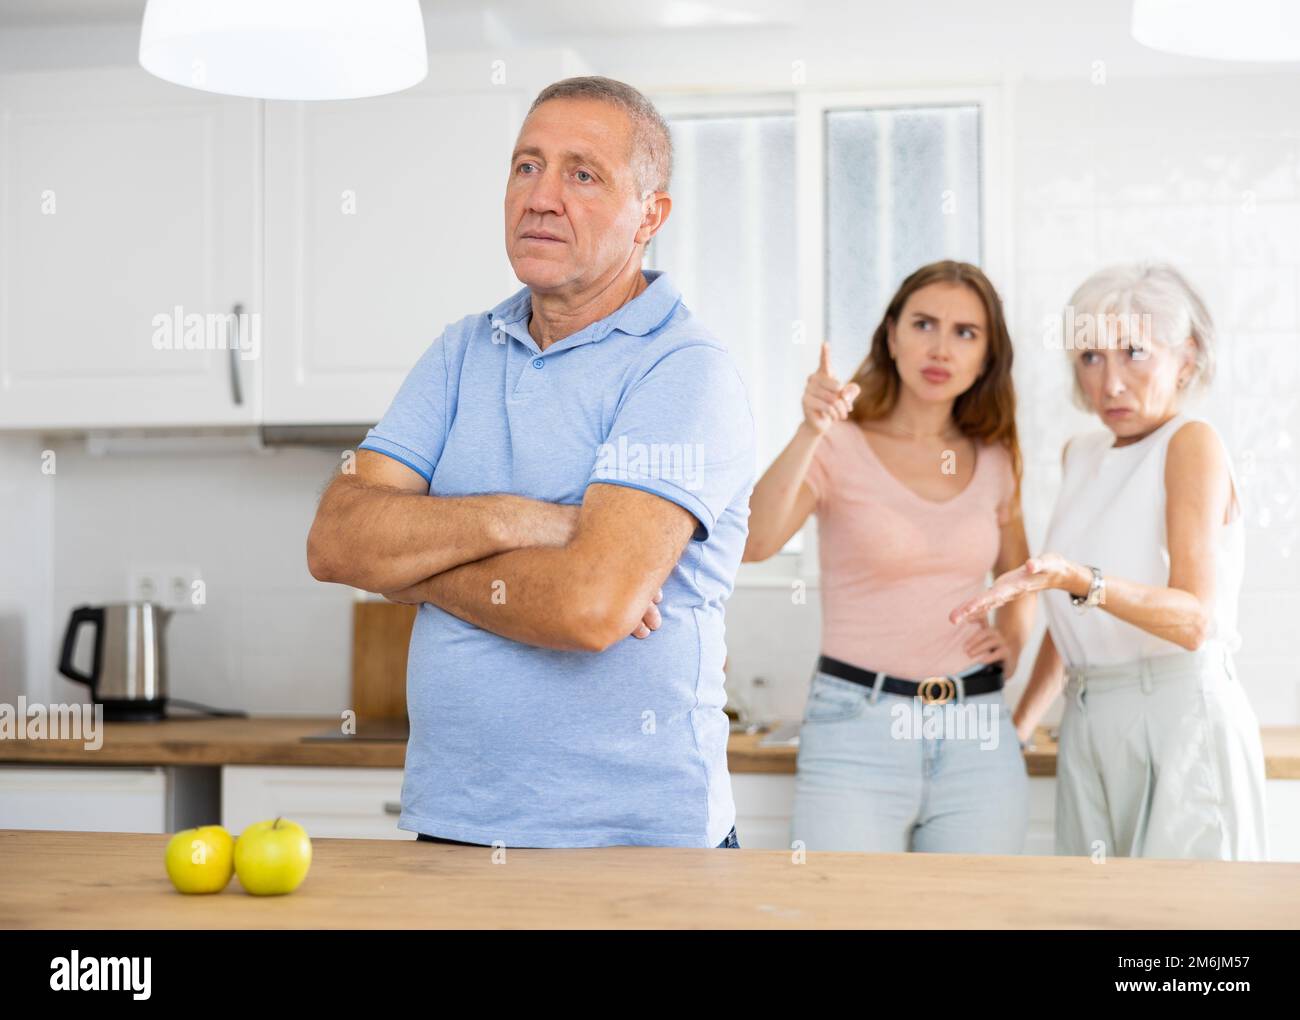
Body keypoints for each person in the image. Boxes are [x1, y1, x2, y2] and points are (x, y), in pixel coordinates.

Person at [306, 76, 755, 849]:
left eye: (583, 174)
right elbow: (336, 542)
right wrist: (527, 520)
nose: (542, 196)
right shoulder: (459, 352)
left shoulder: (684, 369)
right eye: (526, 166)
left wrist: (410, 570)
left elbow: (590, 608)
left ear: (651, 214)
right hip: (454, 831)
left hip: (635, 849)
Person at [951, 262, 1268, 860]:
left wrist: (1077, 578)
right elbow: (1076, 620)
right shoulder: (1083, 454)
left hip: (1178, 716)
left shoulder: (1189, 442)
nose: (1111, 383)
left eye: (1133, 353)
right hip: (1088, 717)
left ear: (1187, 358)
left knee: (1184, 942)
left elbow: (1193, 619)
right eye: (1090, 358)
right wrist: (1019, 729)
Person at [745, 261, 1032, 853]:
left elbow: (1019, 575)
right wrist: (810, 431)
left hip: (977, 730)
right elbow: (753, 543)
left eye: (965, 333)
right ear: (892, 334)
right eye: (924, 323)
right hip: (856, 728)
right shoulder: (838, 444)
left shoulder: (997, 455)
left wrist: (1015, 641)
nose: (941, 347)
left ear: (986, 356)